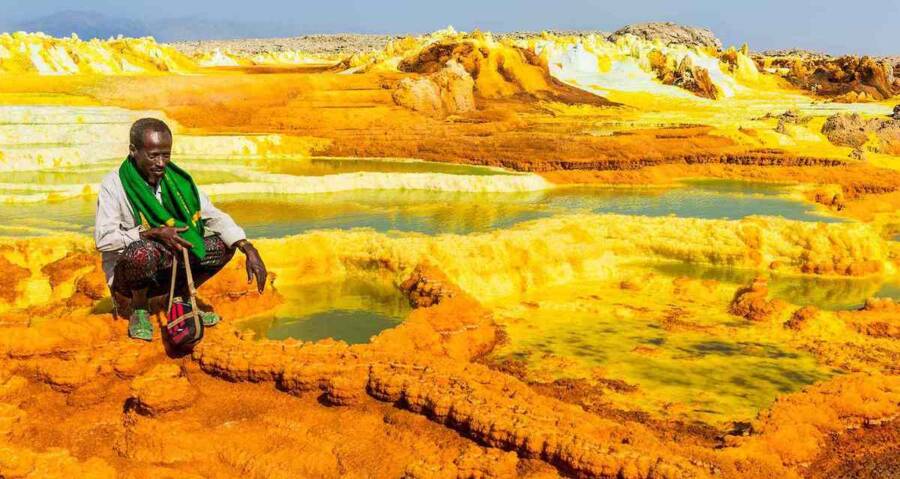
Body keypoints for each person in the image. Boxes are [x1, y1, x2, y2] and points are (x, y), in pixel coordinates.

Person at [95, 118, 267, 341]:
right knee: (142, 251)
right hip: (130, 274)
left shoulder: (178, 181)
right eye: (153, 155)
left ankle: (179, 300)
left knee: (223, 245)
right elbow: (103, 239)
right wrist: (150, 233)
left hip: (167, 262)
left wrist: (247, 247)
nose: (161, 163)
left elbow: (212, 215)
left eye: (166, 155)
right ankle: (139, 308)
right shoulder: (114, 185)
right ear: (133, 151)